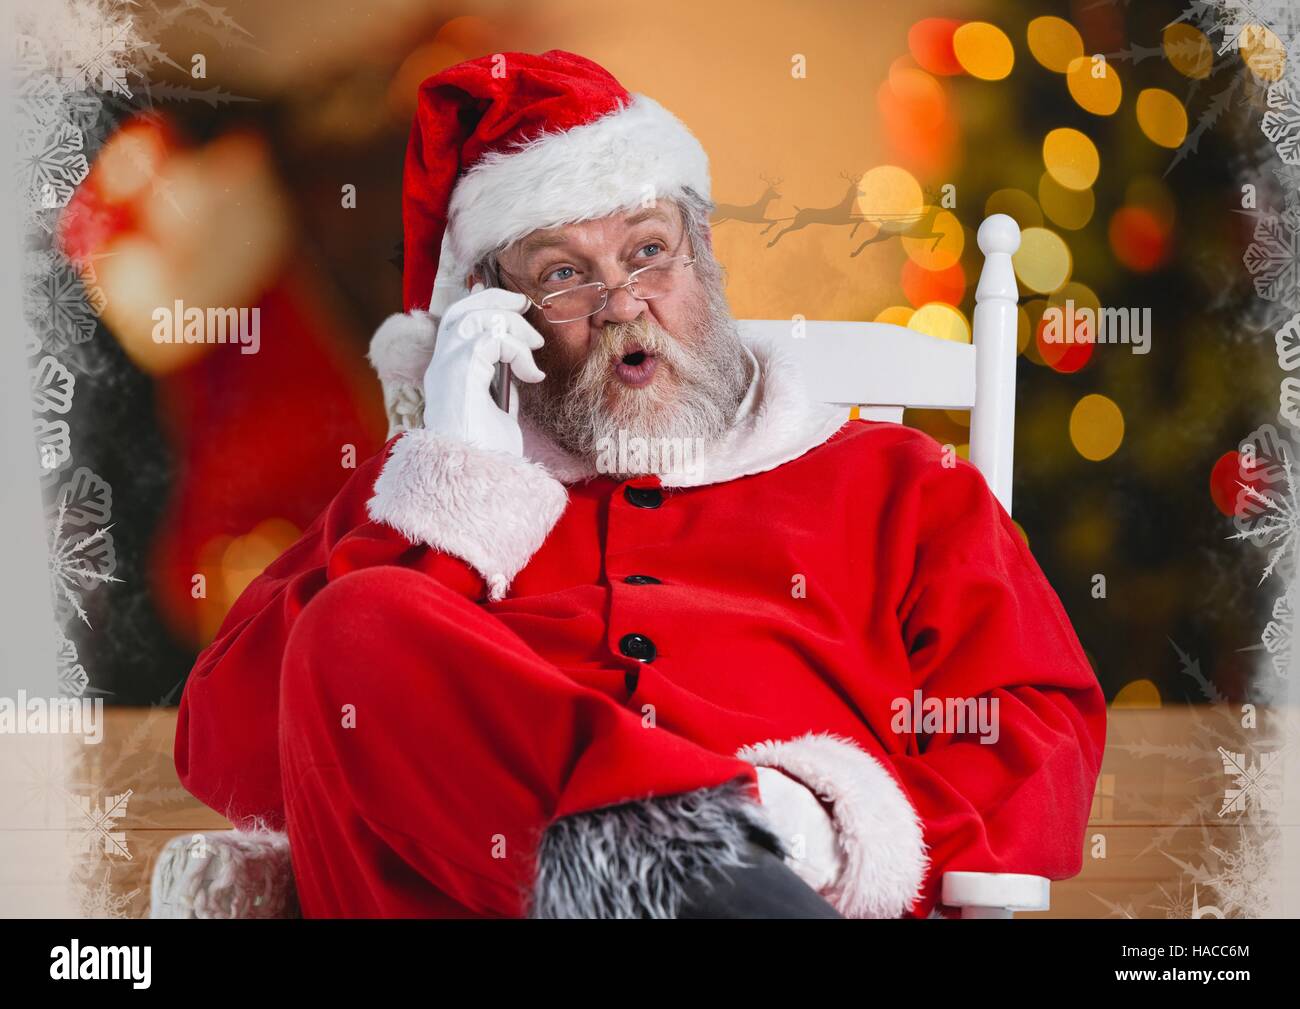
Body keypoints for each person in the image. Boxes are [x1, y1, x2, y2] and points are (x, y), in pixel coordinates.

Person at [174, 49, 1108, 919]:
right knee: (356, 622)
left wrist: (826, 826)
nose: (623, 303)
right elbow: (234, 753)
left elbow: (1039, 727)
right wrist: (456, 496)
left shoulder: (898, 484)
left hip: (798, 889)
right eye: (566, 274)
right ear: (497, 315)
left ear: (706, 255)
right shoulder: (416, 501)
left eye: (649, 251)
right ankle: (707, 865)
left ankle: (728, 874)